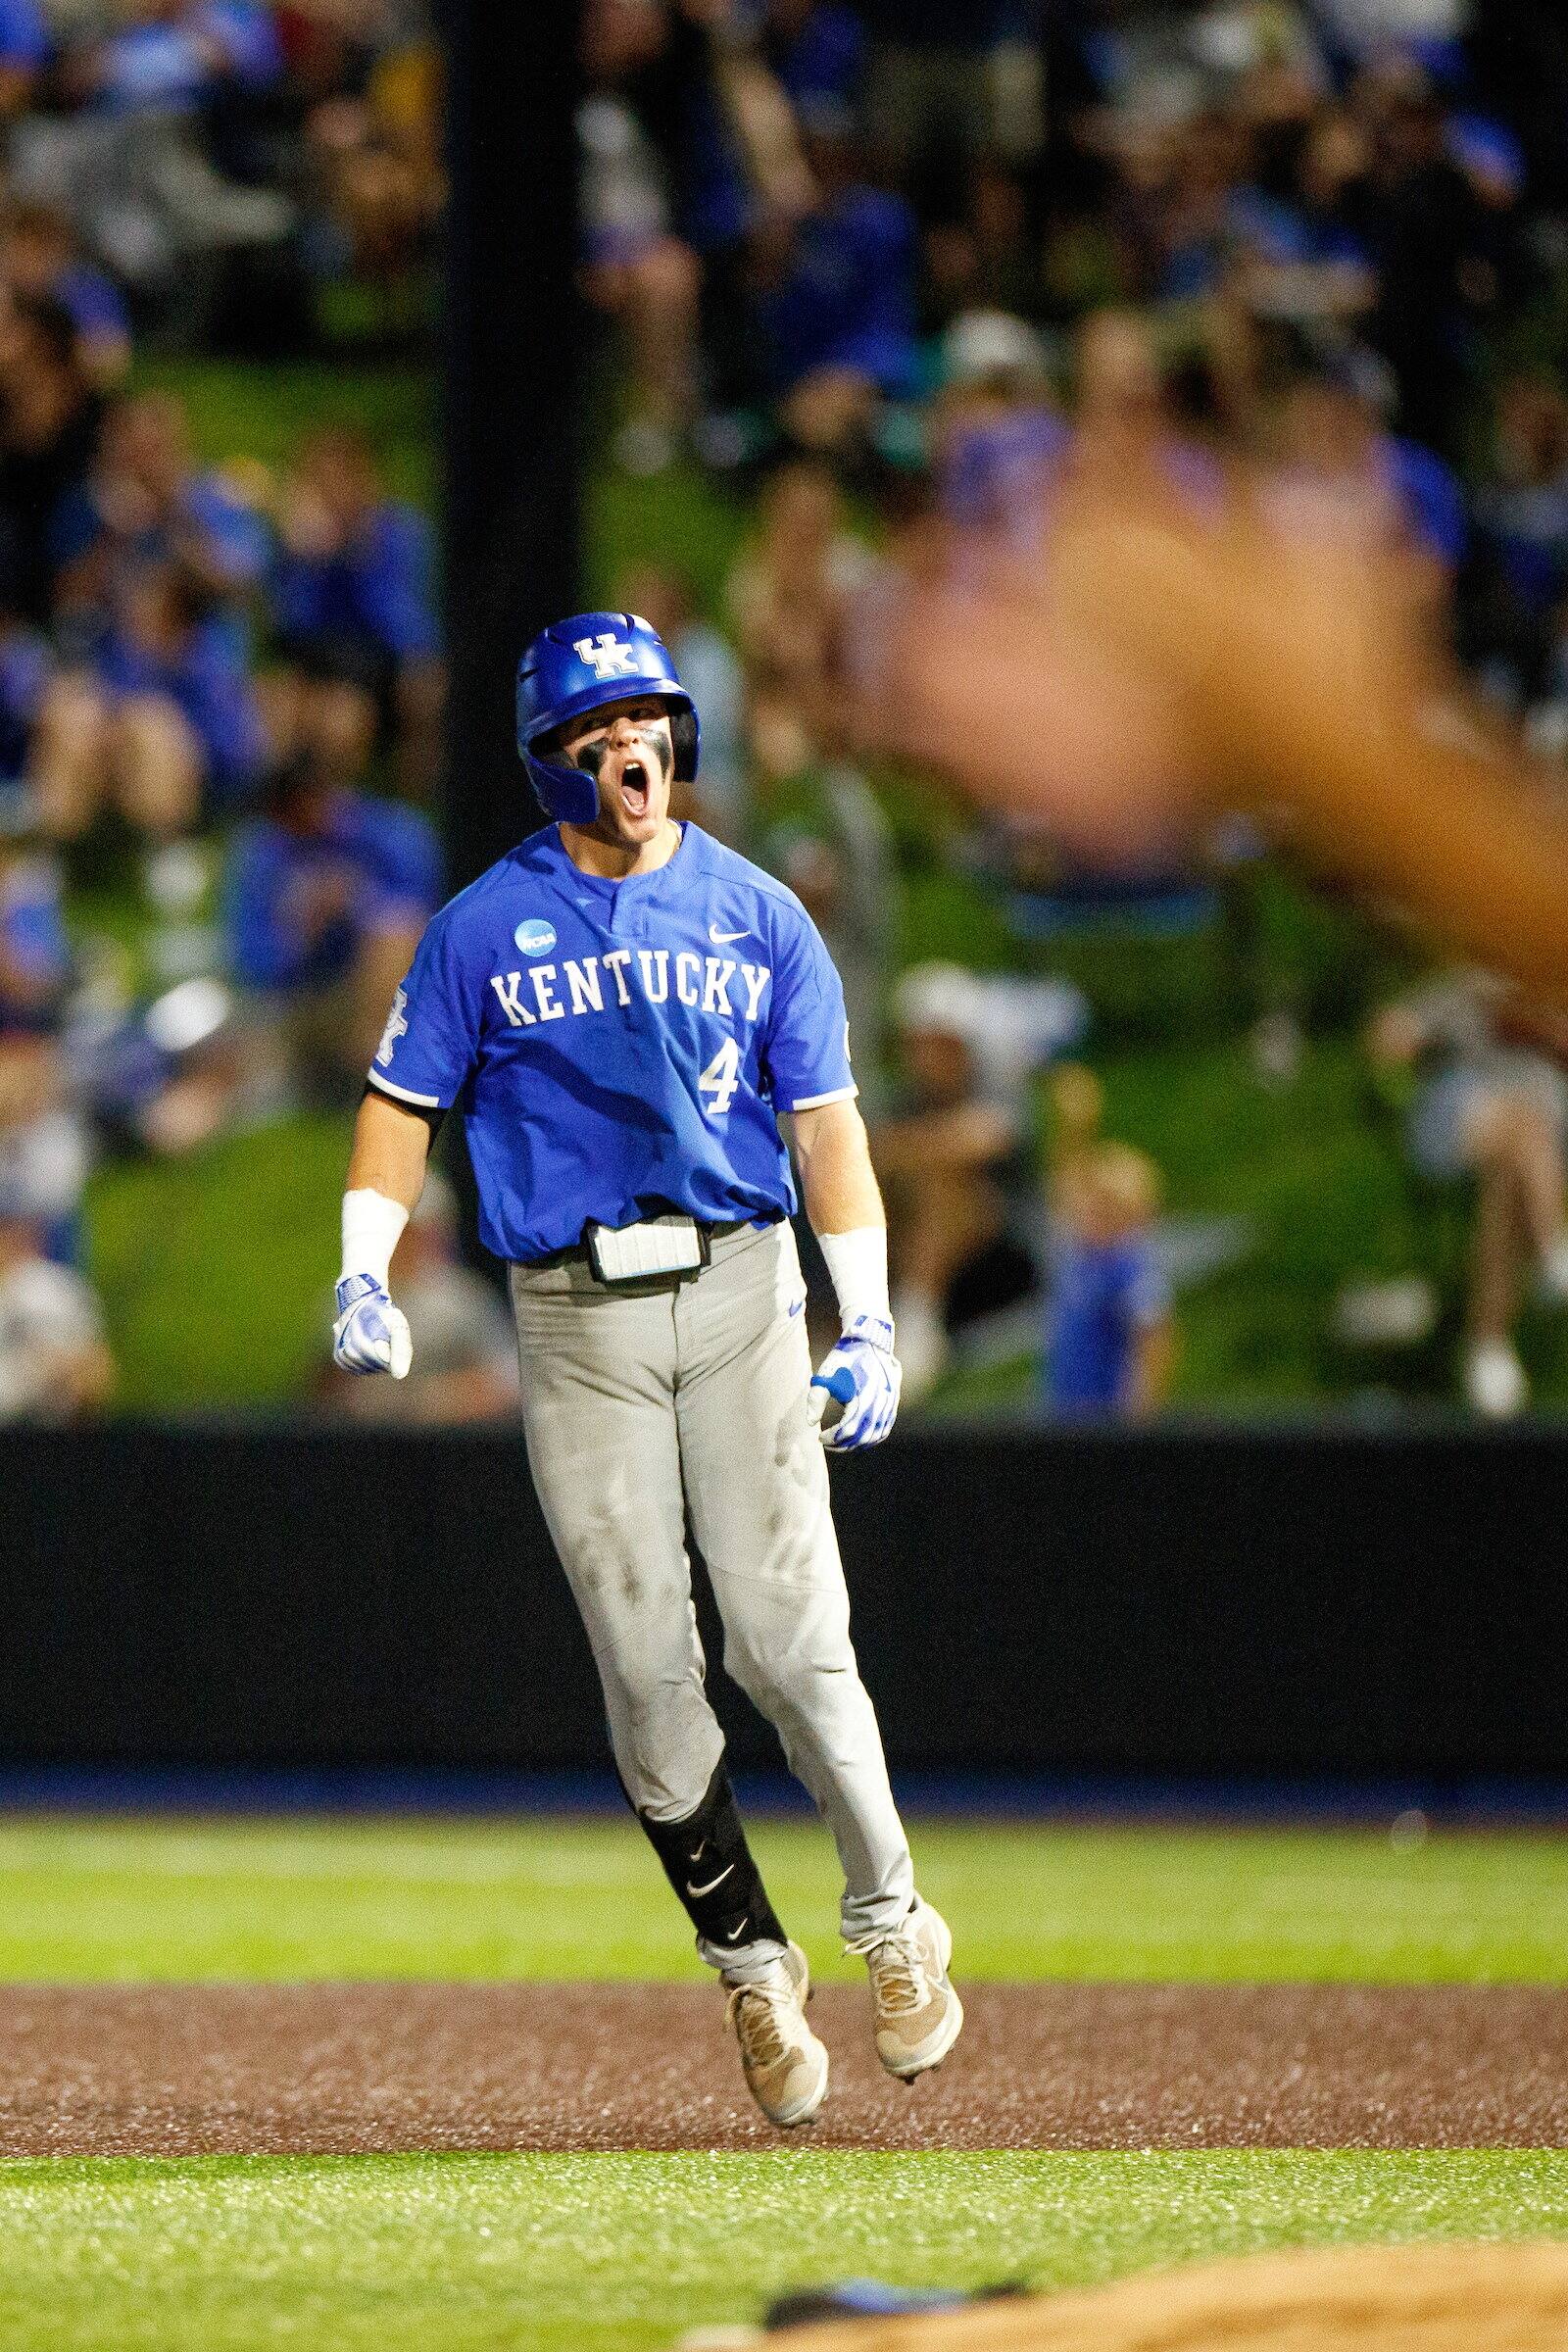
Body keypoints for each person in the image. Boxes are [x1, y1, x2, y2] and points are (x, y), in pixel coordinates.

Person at [329, 611, 961, 2130]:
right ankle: (751, 1964)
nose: (633, 745)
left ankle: (894, 1922)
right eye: (599, 727)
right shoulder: (486, 924)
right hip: (574, 1318)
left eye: (650, 718)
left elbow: (826, 1128)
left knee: (793, 1643)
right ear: (552, 759)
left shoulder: (759, 916)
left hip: (742, 1292)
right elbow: (400, 1100)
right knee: (643, 1667)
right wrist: (360, 1259)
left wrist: (862, 1315)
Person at [1044, 1139, 1175, 1419]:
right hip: (1063, 1410)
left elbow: (1154, 1340)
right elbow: (1063, 1186)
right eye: (1089, 1205)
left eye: (1107, 1208)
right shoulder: (1080, 1255)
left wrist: (1140, 1410)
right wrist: (1074, 1128)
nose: (1092, 1213)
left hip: (1105, 1415)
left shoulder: (1131, 1269)